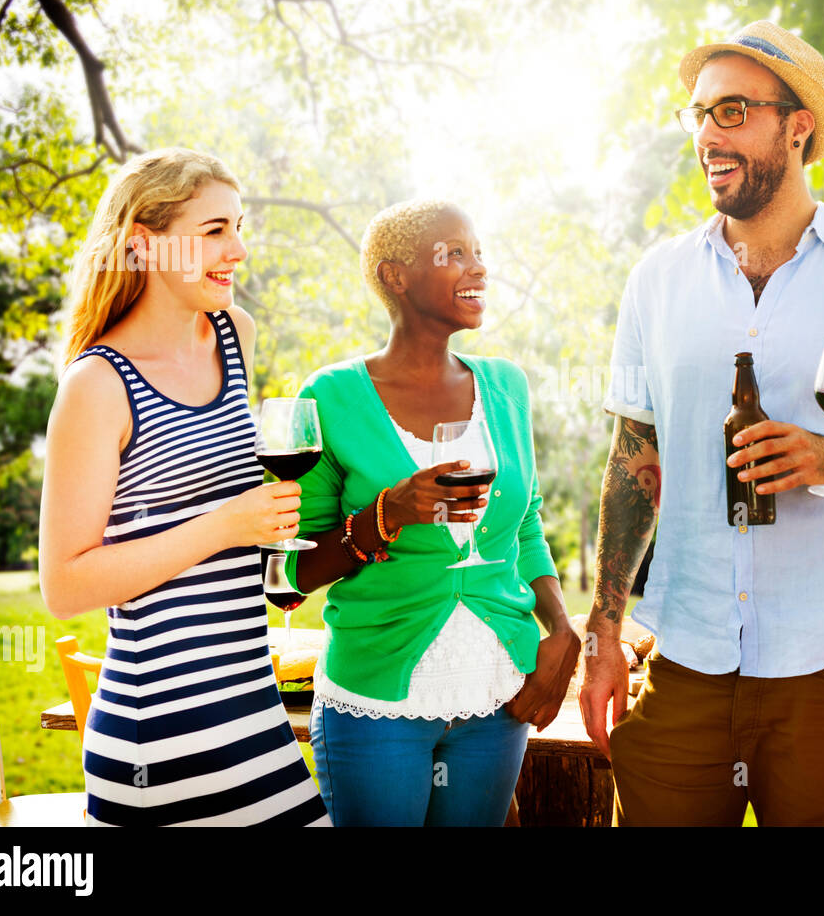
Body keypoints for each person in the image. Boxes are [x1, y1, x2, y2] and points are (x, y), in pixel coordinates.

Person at [578, 20, 824, 826]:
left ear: (799, 127)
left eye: (731, 111)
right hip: (686, 656)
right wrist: (603, 630)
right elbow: (632, 461)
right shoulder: (655, 280)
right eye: (697, 113)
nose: (706, 134)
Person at [39, 147, 330, 826]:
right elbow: (65, 586)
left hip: (254, 716)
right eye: (213, 231)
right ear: (145, 246)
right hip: (161, 739)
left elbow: (230, 520)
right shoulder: (96, 386)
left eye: (238, 225)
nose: (238, 249)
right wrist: (227, 526)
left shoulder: (235, 336)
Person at [286, 199, 580, 826]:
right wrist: (385, 516)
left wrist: (561, 629)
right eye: (454, 254)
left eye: (480, 252)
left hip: (496, 698)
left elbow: (525, 523)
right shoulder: (330, 396)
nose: (478, 267)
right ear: (395, 276)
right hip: (376, 704)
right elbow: (291, 574)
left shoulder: (506, 385)